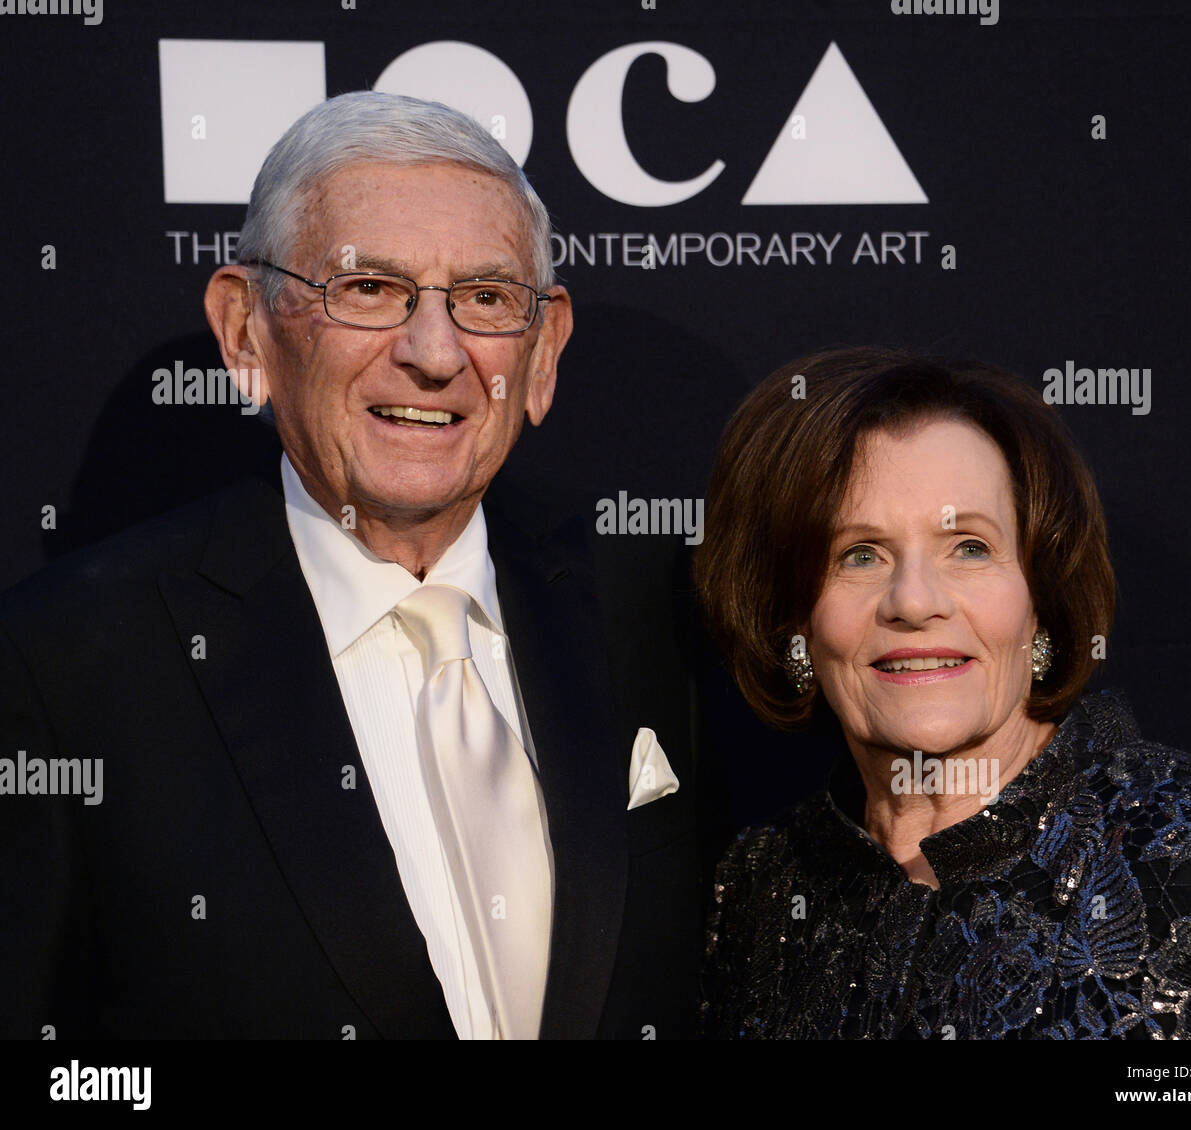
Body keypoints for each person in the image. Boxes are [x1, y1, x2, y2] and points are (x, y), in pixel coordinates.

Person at [0, 92, 709, 1040]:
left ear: (542, 353)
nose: (432, 352)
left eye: (486, 298)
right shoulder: (65, 666)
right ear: (246, 332)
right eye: (367, 288)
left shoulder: (653, 609)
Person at [694, 346, 1191, 1039]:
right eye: (858, 554)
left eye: (970, 548)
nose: (914, 601)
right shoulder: (759, 887)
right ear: (792, 617)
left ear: (1041, 598)